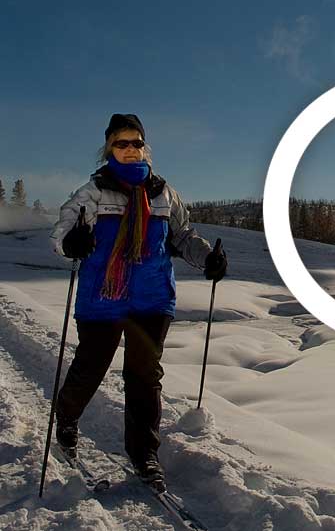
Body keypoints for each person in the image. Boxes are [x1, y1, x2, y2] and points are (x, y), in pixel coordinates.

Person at [49, 113, 227, 491]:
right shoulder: (93, 192)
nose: (130, 150)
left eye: (136, 143)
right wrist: (71, 244)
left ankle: (144, 454)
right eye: (121, 143)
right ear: (109, 148)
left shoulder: (163, 192)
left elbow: (181, 236)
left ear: (145, 146)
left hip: (152, 297)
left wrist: (207, 257)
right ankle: (65, 418)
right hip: (103, 297)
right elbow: (63, 231)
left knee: (144, 376)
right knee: (92, 365)